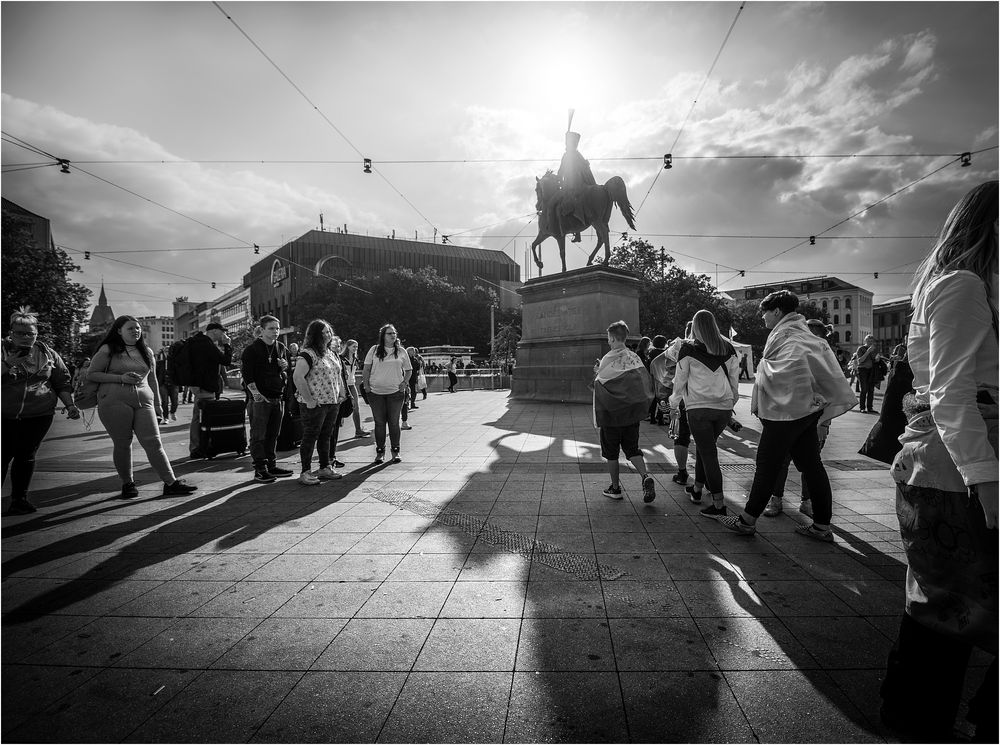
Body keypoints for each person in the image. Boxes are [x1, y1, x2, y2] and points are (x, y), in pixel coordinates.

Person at [879, 180, 998, 743]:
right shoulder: (963, 285)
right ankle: (920, 722)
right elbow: (951, 393)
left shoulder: (961, 284)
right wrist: (989, 481)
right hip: (956, 471)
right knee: (944, 609)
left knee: (942, 606)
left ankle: (924, 719)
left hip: (948, 466)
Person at [717, 290, 855, 541]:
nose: (763, 318)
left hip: (785, 414)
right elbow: (818, 371)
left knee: (767, 465)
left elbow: (783, 373)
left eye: (765, 312)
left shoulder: (785, 336)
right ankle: (822, 526)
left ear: (777, 311)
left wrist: (763, 372)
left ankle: (747, 521)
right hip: (808, 412)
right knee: (812, 466)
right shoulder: (807, 336)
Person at [87, 316, 197, 499]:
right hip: (114, 400)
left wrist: (158, 406)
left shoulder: (146, 351)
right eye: (130, 328)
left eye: (137, 328)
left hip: (144, 401)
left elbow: (152, 379)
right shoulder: (108, 349)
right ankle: (127, 483)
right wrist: (120, 378)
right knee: (123, 443)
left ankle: (171, 483)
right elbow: (92, 374)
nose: (135, 331)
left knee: (154, 442)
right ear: (119, 331)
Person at [2, 308, 80, 514]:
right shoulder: (2, 351)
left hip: (38, 415)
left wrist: (70, 405)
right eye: (20, 333)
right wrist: (7, 364)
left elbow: (61, 382)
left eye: (30, 333)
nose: (26, 337)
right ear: (11, 333)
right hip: (4, 415)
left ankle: (19, 499)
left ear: (36, 334)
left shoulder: (47, 353)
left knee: (25, 455)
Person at [669, 310, 740, 518]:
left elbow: (679, 382)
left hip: (698, 408)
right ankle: (698, 489)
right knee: (705, 448)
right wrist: (730, 402)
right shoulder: (728, 348)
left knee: (708, 453)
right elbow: (734, 383)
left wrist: (674, 405)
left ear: (696, 327)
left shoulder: (688, 349)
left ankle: (719, 505)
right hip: (723, 408)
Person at [763, 318, 837, 517]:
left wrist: (824, 422)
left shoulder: (824, 355)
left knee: (810, 464)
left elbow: (832, 390)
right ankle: (776, 499)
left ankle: (807, 501)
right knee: (783, 461)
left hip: (814, 419)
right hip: (790, 417)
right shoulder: (792, 351)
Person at [593, 320, 656, 503]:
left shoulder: (608, 358)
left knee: (611, 452)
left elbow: (601, 383)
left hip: (612, 415)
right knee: (632, 449)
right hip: (631, 414)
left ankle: (615, 488)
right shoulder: (634, 358)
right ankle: (645, 476)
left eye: (608, 338)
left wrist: (597, 372)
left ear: (612, 338)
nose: (608, 341)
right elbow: (641, 383)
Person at [241, 315, 293, 483]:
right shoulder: (252, 350)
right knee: (258, 435)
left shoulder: (281, 347)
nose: (275, 332)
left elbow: (285, 372)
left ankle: (271, 465)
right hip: (260, 399)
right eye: (271, 328)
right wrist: (257, 395)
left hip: (277, 397)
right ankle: (260, 468)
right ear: (261, 330)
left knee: (273, 434)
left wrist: (284, 368)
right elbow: (247, 376)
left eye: (277, 328)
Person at [292, 320, 344, 485]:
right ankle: (305, 471)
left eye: (329, 331)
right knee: (310, 436)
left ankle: (324, 467)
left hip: (332, 402)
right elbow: (297, 377)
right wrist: (309, 400)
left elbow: (338, 373)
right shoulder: (308, 354)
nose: (328, 335)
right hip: (315, 403)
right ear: (315, 335)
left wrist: (342, 393)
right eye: (323, 332)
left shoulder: (331, 353)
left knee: (326, 436)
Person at [362, 324, 412, 464]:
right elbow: (366, 370)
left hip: (395, 393)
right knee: (379, 423)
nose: (393, 335)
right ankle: (380, 452)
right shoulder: (374, 350)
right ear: (383, 335)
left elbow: (409, 370)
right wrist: (366, 386)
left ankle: (395, 451)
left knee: (394, 423)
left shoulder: (401, 351)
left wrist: (404, 383)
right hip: (375, 393)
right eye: (389, 333)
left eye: (394, 333)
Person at [187, 322, 233, 457]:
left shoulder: (198, 341)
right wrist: (227, 345)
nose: (224, 334)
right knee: (202, 417)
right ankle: (199, 448)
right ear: (213, 331)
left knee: (199, 416)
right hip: (204, 386)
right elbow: (226, 360)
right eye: (221, 331)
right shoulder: (206, 344)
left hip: (198, 385)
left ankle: (198, 446)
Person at [558, 130, 597, 242]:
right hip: (582, 182)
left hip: (571, 184)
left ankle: (564, 227)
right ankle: (577, 232)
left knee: (561, 203)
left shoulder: (567, 155)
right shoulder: (578, 154)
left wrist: (559, 180)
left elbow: (561, 170)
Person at [341, 339, 369, 438]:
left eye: (356, 347)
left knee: (356, 407)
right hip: (343, 386)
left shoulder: (355, 359)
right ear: (348, 346)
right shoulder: (341, 358)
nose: (355, 348)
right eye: (353, 346)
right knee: (341, 408)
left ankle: (358, 430)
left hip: (352, 385)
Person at [645, 335, 668, 425]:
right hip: (663, 378)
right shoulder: (666, 353)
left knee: (654, 398)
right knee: (662, 397)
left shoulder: (651, 353)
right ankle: (660, 416)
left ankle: (652, 418)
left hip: (652, 377)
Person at [855, 334, 878, 412]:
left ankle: (870, 407)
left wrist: (877, 359)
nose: (870, 343)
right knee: (864, 389)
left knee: (871, 390)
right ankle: (862, 408)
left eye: (871, 341)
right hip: (862, 370)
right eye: (868, 341)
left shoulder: (874, 350)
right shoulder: (861, 349)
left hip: (871, 371)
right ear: (865, 341)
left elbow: (874, 360)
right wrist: (868, 352)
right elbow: (860, 360)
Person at [155, 348, 178, 424]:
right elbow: (156, 373)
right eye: (165, 351)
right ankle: (166, 417)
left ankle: (172, 412)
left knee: (175, 401)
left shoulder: (175, 362)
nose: (167, 353)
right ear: (163, 353)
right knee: (165, 402)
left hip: (173, 384)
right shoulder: (159, 363)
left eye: (168, 351)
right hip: (163, 384)